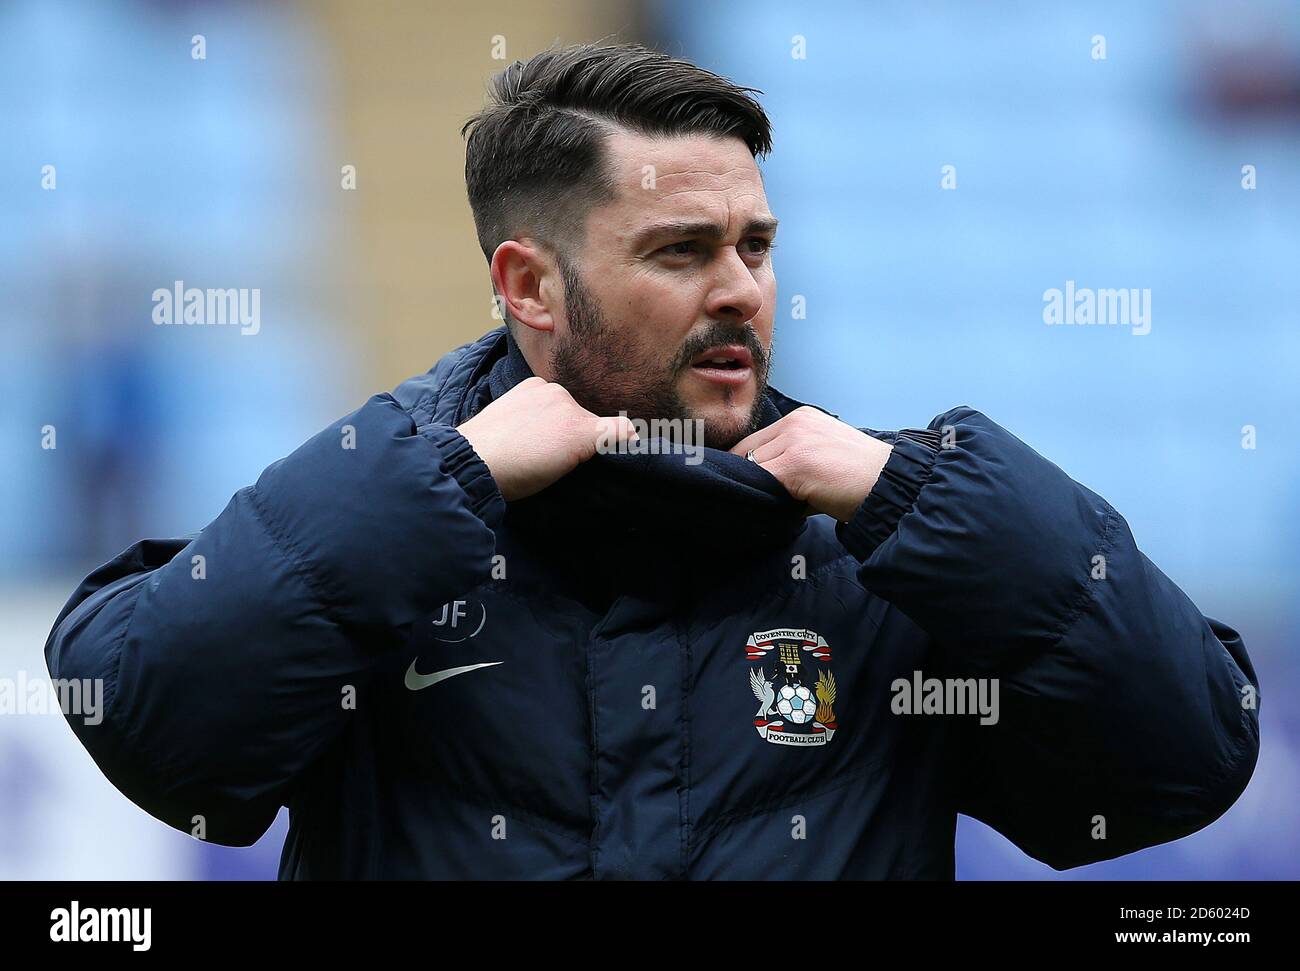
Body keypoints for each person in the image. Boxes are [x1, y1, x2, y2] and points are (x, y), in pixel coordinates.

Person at [46, 43, 1259, 879]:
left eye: (756, 245)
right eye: (682, 250)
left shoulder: (885, 548)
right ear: (528, 284)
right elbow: (156, 729)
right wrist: (445, 488)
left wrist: (917, 494)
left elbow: (1181, 763)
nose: (740, 290)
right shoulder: (389, 523)